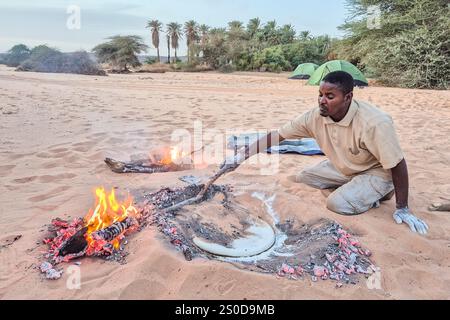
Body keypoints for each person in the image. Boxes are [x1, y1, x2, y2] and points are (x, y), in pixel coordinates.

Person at [221, 71, 428, 235]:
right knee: (303, 178)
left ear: (348, 97)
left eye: (330, 96)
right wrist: (240, 156)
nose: (322, 101)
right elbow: (278, 135)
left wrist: (403, 207)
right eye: (320, 95)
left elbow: (398, 164)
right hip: (346, 167)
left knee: (336, 203)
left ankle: (383, 190)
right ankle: (364, 190)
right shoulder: (315, 116)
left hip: (378, 172)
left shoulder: (375, 122)